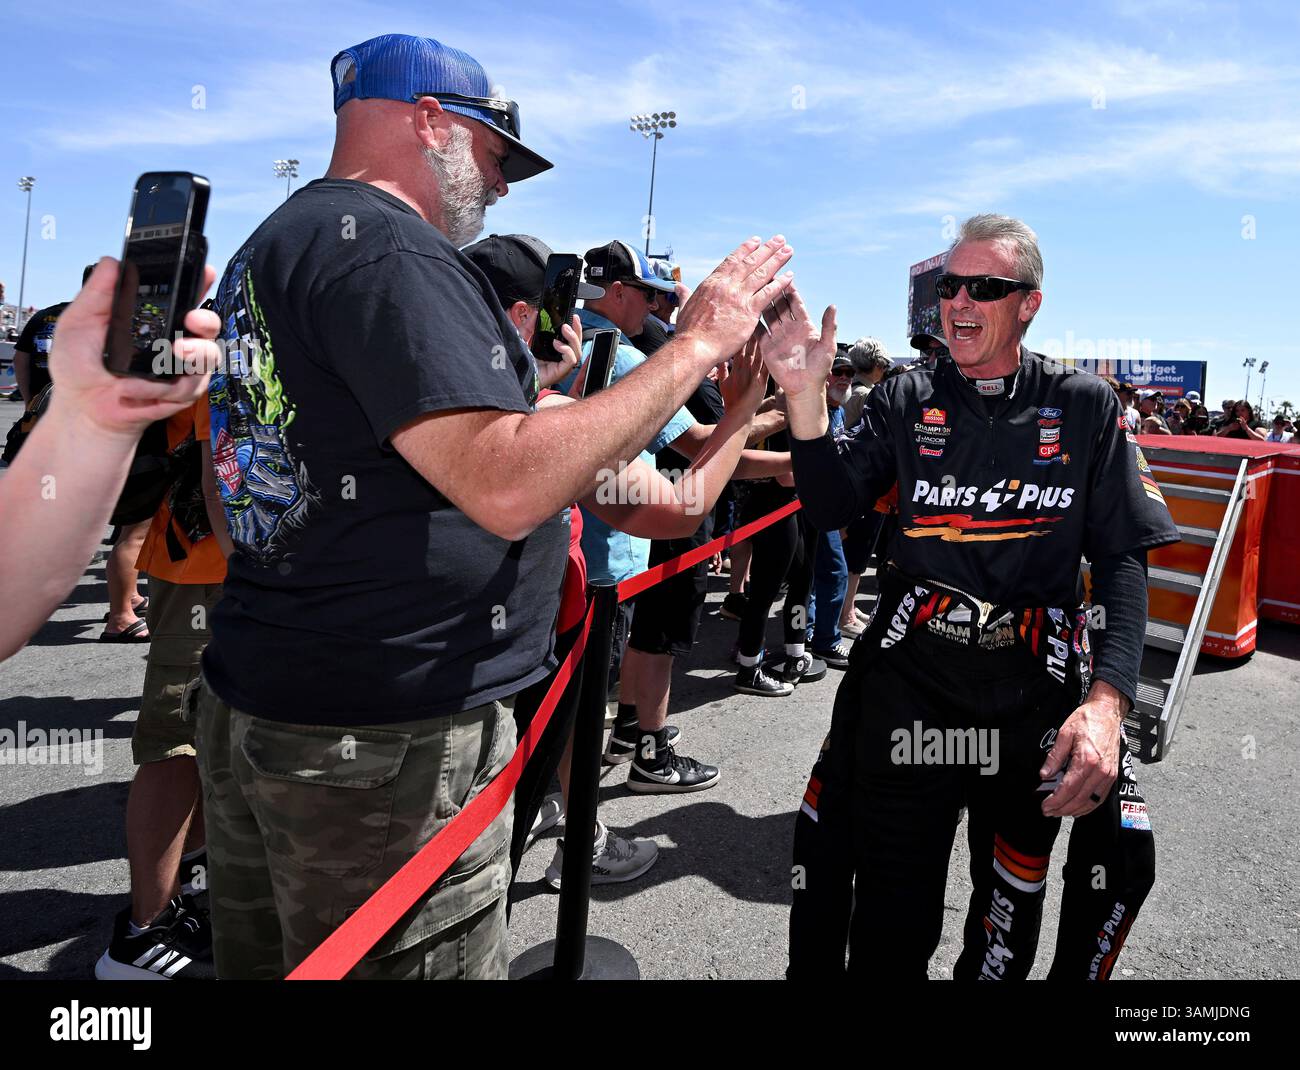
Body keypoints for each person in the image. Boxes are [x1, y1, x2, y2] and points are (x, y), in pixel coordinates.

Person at [195, 32, 797, 980]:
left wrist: (730, 407)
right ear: (427, 121)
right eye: (494, 152)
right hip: (384, 739)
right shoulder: (391, 249)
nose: (504, 185)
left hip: (272, 698)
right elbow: (512, 486)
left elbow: (229, 492)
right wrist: (695, 348)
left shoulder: (263, 252)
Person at [764, 213, 1179, 979]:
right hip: (911, 684)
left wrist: (1108, 703)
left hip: (1031, 698)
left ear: (1030, 304)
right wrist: (802, 398)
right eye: (950, 285)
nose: (958, 301)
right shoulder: (903, 399)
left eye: (984, 287)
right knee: (891, 915)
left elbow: (1122, 561)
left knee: (1007, 924)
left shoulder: (1085, 405)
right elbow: (827, 507)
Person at [463, 233, 768, 885]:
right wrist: (746, 407)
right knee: (567, 724)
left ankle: (548, 814)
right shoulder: (595, 378)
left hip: (499, 620)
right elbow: (679, 496)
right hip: (575, 591)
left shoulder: (459, 385)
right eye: (560, 308)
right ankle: (579, 842)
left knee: (538, 737)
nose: (574, 322)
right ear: (524, 318)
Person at [562, 239, 790, 794]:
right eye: (649, 294)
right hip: (613, 545)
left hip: (576, 546)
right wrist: (761, 413)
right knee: (588, 699)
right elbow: (696, 444)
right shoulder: (620, 353)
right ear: (617, 292)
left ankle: (602, 768)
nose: (656, 308)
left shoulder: (569, 344)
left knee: (580, 694)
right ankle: (588, 823)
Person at [0, 258, 220, 664]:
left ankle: (124, 602)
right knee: (130, 534)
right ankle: (121, 614)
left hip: (100, 446)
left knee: (116, 530)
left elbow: (21, 363)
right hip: (142, 461)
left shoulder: (60, 322)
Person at [96, 396, 231, 980]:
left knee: (202, 741)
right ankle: (143, 934)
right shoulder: (212, 316)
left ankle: (184, 898)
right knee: (175, 744)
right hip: (207, 559)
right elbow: (215, 456)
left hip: (209, 559)